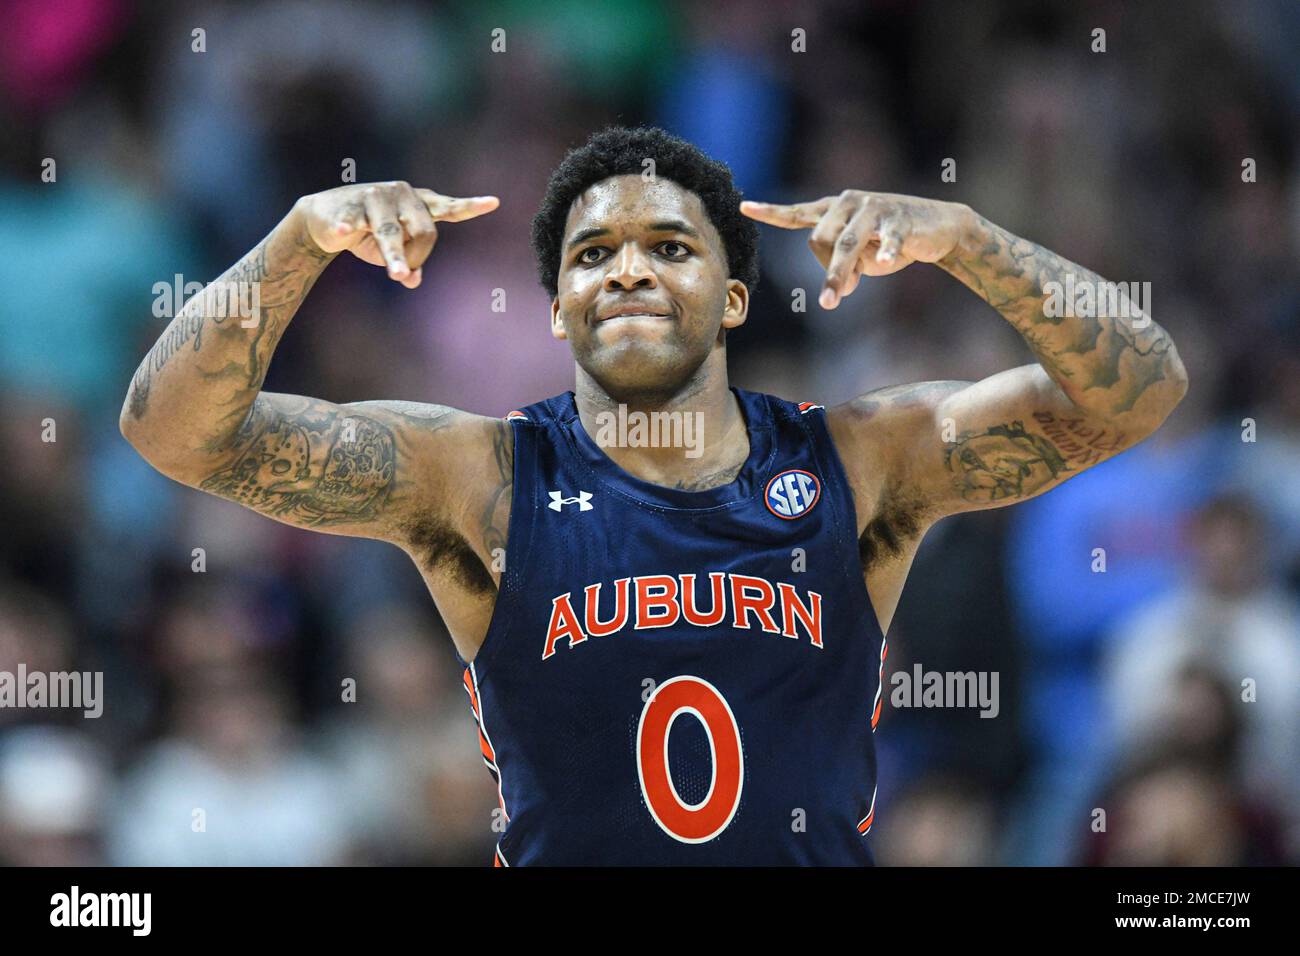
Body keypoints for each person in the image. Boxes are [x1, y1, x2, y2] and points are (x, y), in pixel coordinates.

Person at [119, 125, 1188, 865]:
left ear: (734, 297)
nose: (627, 269)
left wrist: (965, 239)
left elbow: (1138, 391)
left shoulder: (860, 460)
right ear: (557, 308)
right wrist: (300, 239)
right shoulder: (481, 476)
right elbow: (171, 432)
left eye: (669, 247)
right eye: (592, 254)